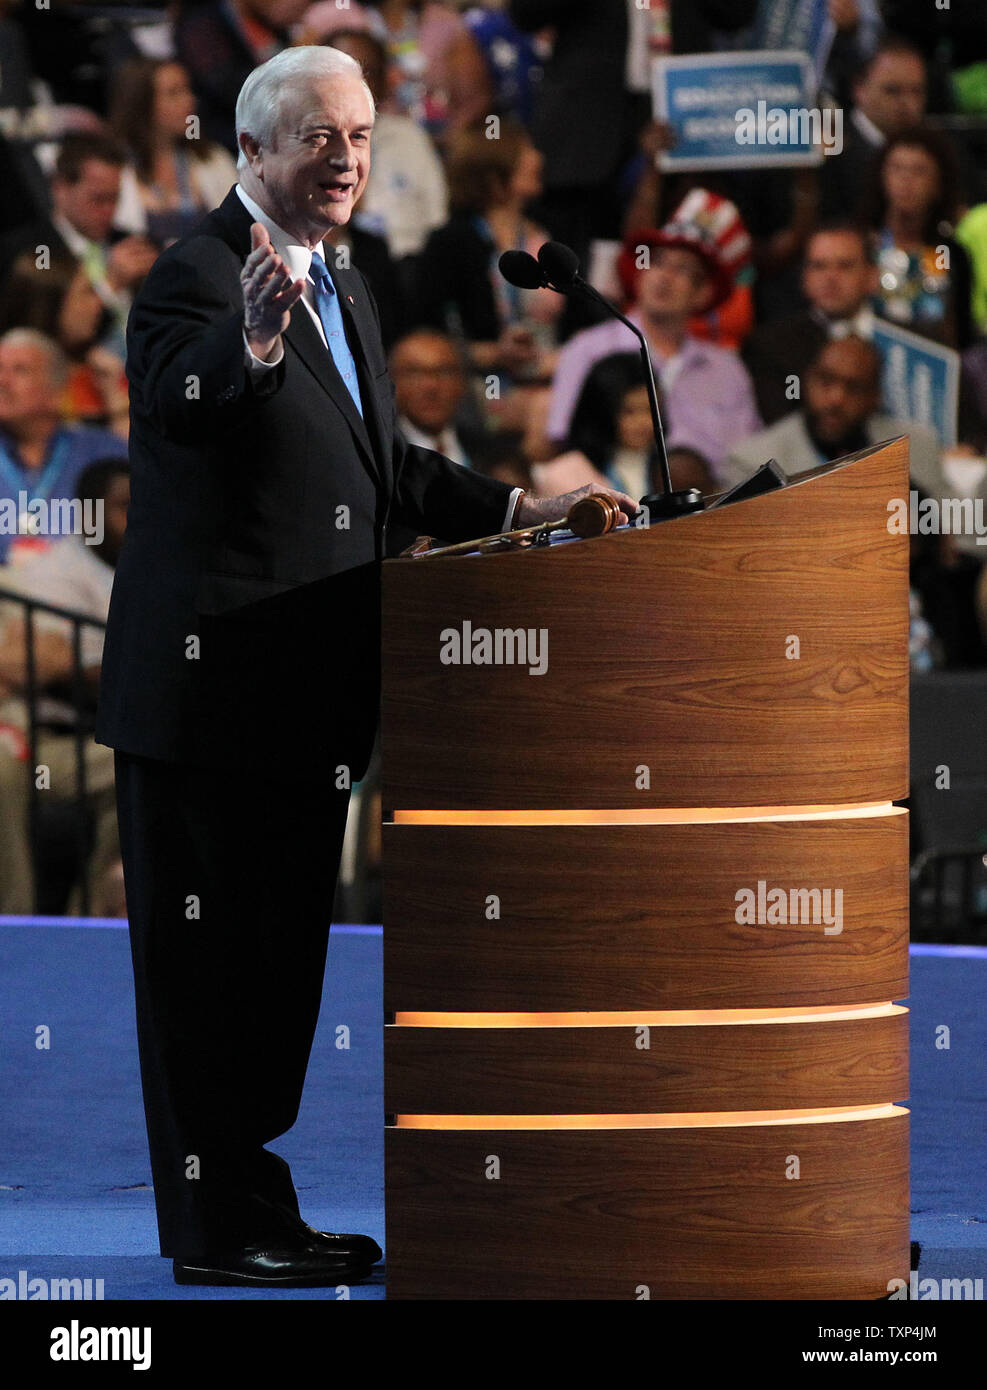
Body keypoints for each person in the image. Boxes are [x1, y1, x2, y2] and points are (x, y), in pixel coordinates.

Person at [94, 43, 633, 1289]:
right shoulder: (195, 274)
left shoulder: (352, 283)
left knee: (279, 970)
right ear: (253, 153)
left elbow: (384, 473)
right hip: (209, 698)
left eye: (360, 136)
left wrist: (524, 510)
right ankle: (217, 1229)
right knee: (207, 978)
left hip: (307, 700)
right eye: (317, 138)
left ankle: (257, 1201)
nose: (344, 159)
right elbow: (184, 403)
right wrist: (257, 348)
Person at [543, 194, 761, 479]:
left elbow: (750, 458)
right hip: (613, 509)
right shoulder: (587, 349)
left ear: (703, 293)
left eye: (682, 269)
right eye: (657, 262)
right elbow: (563, 442)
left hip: (712, 509)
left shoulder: (727, 368)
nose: (664, 277)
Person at [0, 329, 128, 565]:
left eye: (20, 370)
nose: (3, 381)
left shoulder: (101, 452)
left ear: (57, 393)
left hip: (82, 593)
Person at [742, 222, 879, 426]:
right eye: (819, 266)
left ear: (872, 277)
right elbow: (782, 425)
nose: (831, 277)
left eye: (844, 266)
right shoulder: (772, 346)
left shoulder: (911, 342)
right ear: (804, 278)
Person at [109, 57, 239, 246]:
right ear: (141, 102)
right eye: (174, 93)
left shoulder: (213, 159)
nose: (190, 101)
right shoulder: (116, 168)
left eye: (188, 90)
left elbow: (240, 227)